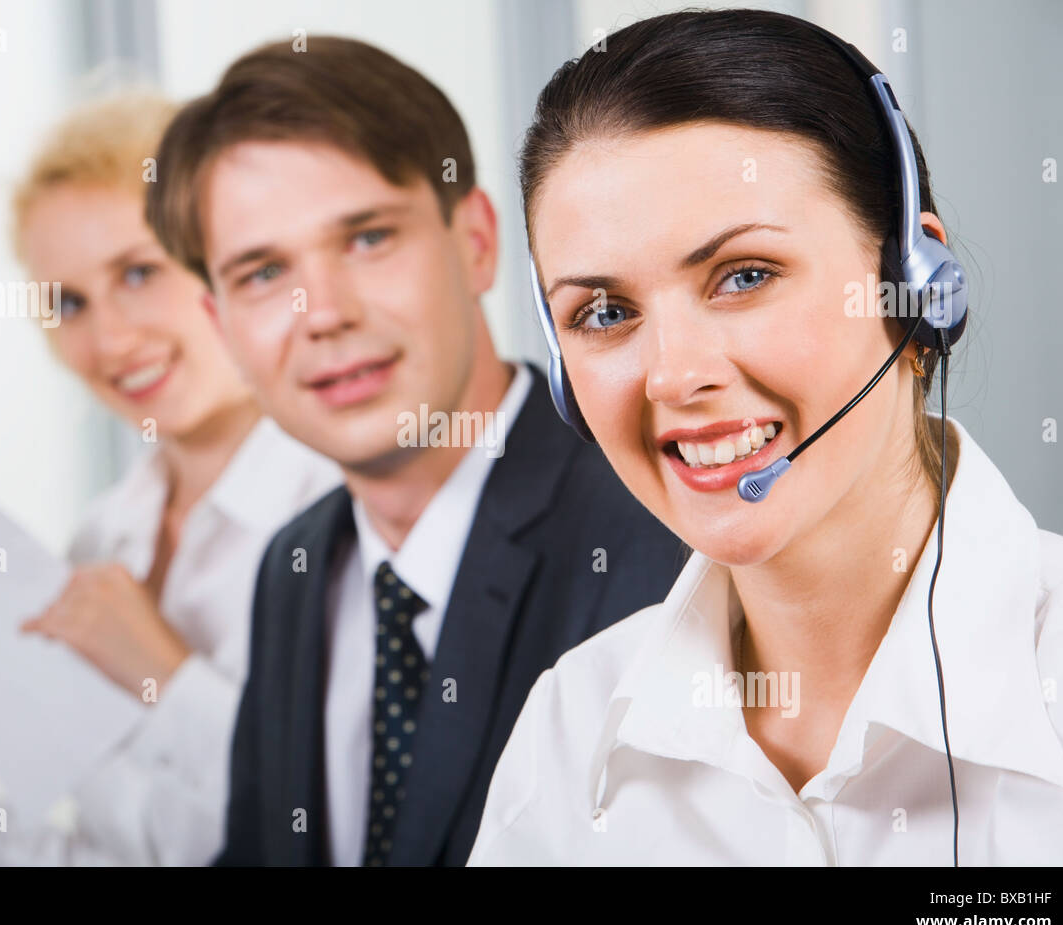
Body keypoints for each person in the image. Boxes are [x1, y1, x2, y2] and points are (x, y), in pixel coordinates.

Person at [469, 9, 1063, 866]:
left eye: (744, 276)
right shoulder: (572, 732)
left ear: (915, 289)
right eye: (605, 313)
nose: (672, 376)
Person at [143, 36, 687, 867]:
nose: (321, 312)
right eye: (261, 273)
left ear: (474, 241)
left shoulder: (656, 530)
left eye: (366, 238)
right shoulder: (293, 568)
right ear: (219, 324)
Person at [0, 92, 339, 865]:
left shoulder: (344, 512)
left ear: (230, 265)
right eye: (68, 303)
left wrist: (167, 676)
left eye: (137, 272)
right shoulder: (98, 540)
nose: (112, 338)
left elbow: (358, 824)